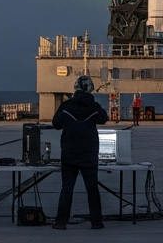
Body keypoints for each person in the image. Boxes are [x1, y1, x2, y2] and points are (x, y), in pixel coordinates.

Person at [52, 75, 106, 230]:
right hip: (89, 153)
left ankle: (61, 222)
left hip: (69, 153)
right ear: (90, 89)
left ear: (75, 87)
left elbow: (56, 124)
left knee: (67, 188)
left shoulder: (66, 106)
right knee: (92, 188)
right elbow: (104, 118)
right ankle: (96, 222)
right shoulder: (94, 107)